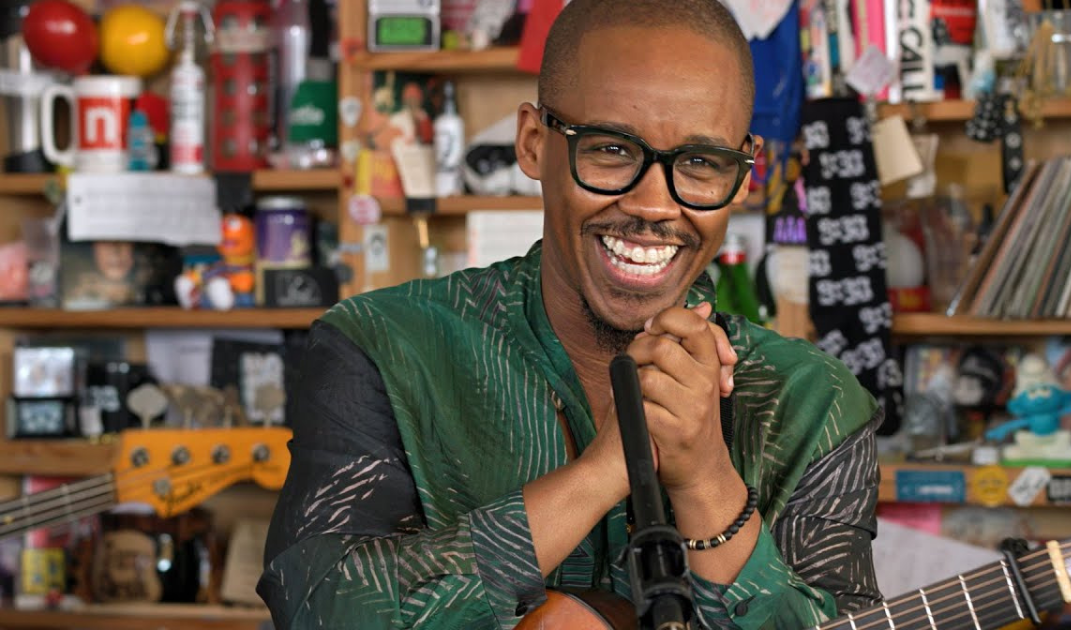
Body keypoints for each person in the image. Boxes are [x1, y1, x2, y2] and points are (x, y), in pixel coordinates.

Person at [257, 0, 884, 628]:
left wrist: (707, 484)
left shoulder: (815, 403)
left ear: (743, 175)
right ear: (533, 144)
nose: (653, 206)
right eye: (611, 149)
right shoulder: (385, 346)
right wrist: (602, 473)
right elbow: (319, 610)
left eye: (700, 163)